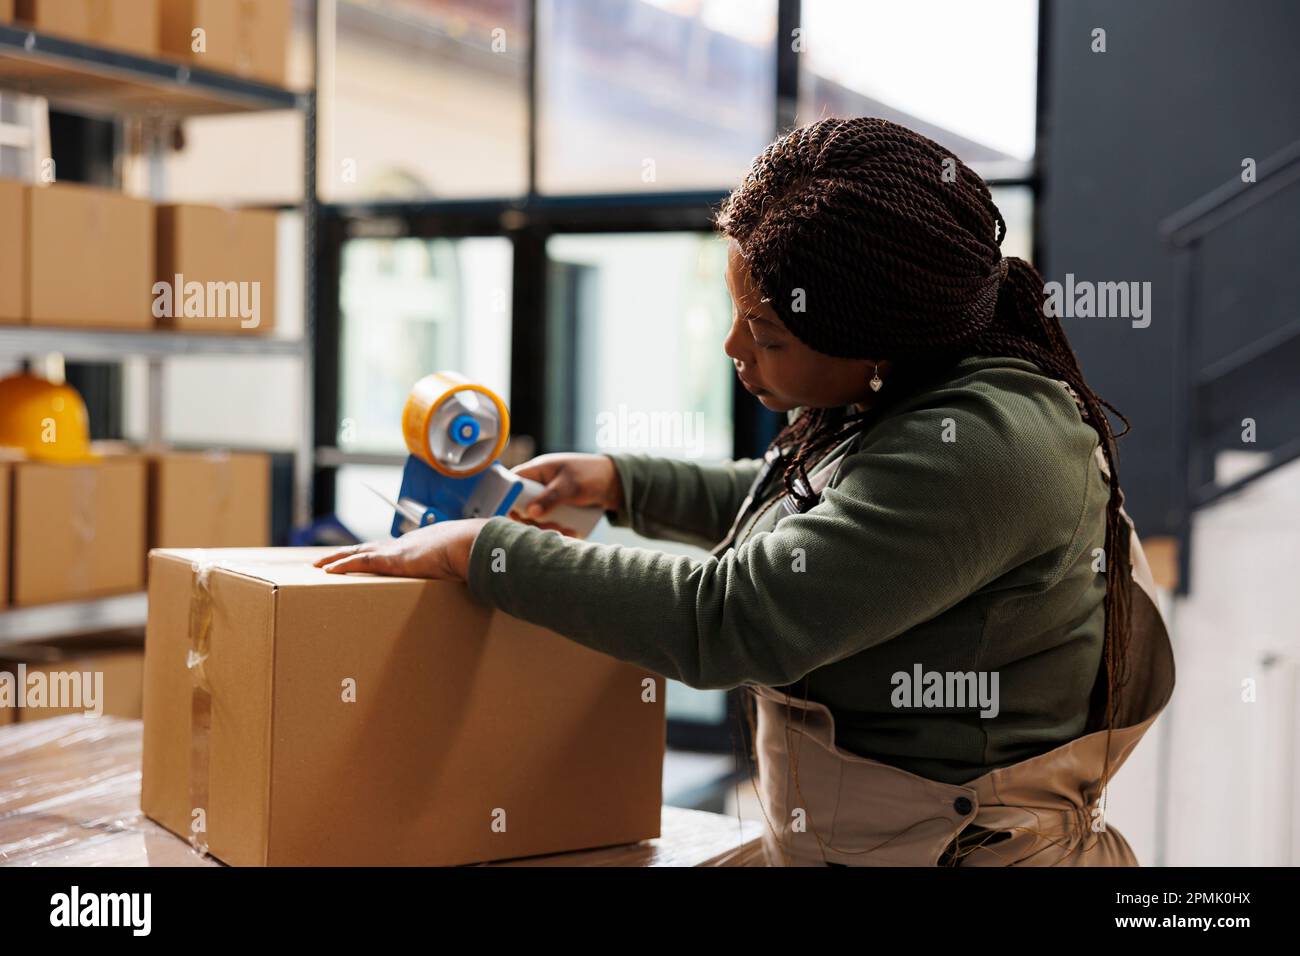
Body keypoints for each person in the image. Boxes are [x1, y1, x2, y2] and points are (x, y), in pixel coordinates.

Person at [314, 116, 1173, 866]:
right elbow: (816, 516)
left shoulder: (985, 448)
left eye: (765, 331)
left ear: (872, 337)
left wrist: (483, 551)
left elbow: (731, 620)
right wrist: (621, 483)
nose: (734, 347)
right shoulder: (908, 385)